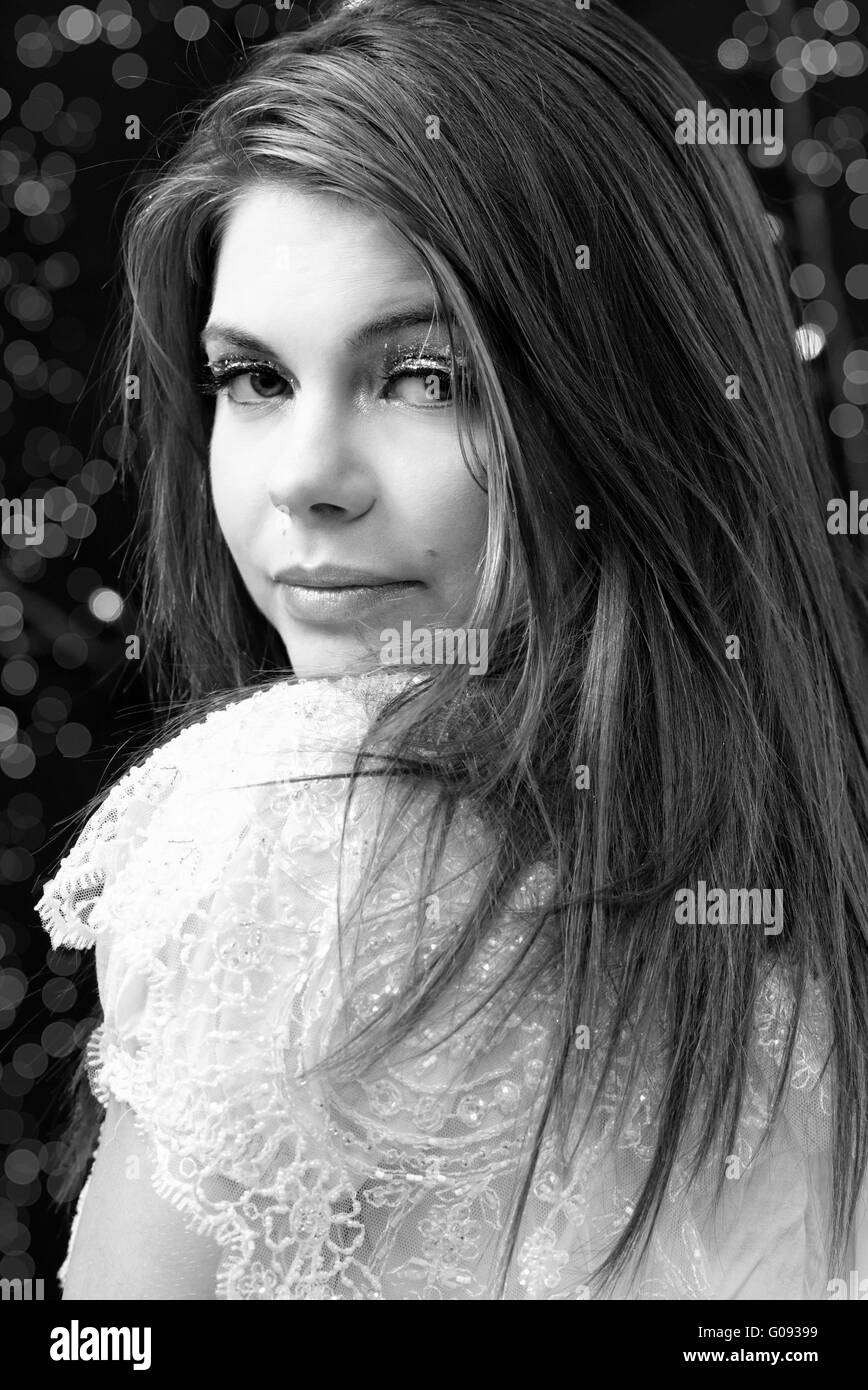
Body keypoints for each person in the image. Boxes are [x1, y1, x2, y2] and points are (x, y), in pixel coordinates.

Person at [36, 0, 868, 1299]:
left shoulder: (287, 828)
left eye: (423, 376)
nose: (307, 480)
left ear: (624, 398)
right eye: (253, 379)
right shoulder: (818, 885)